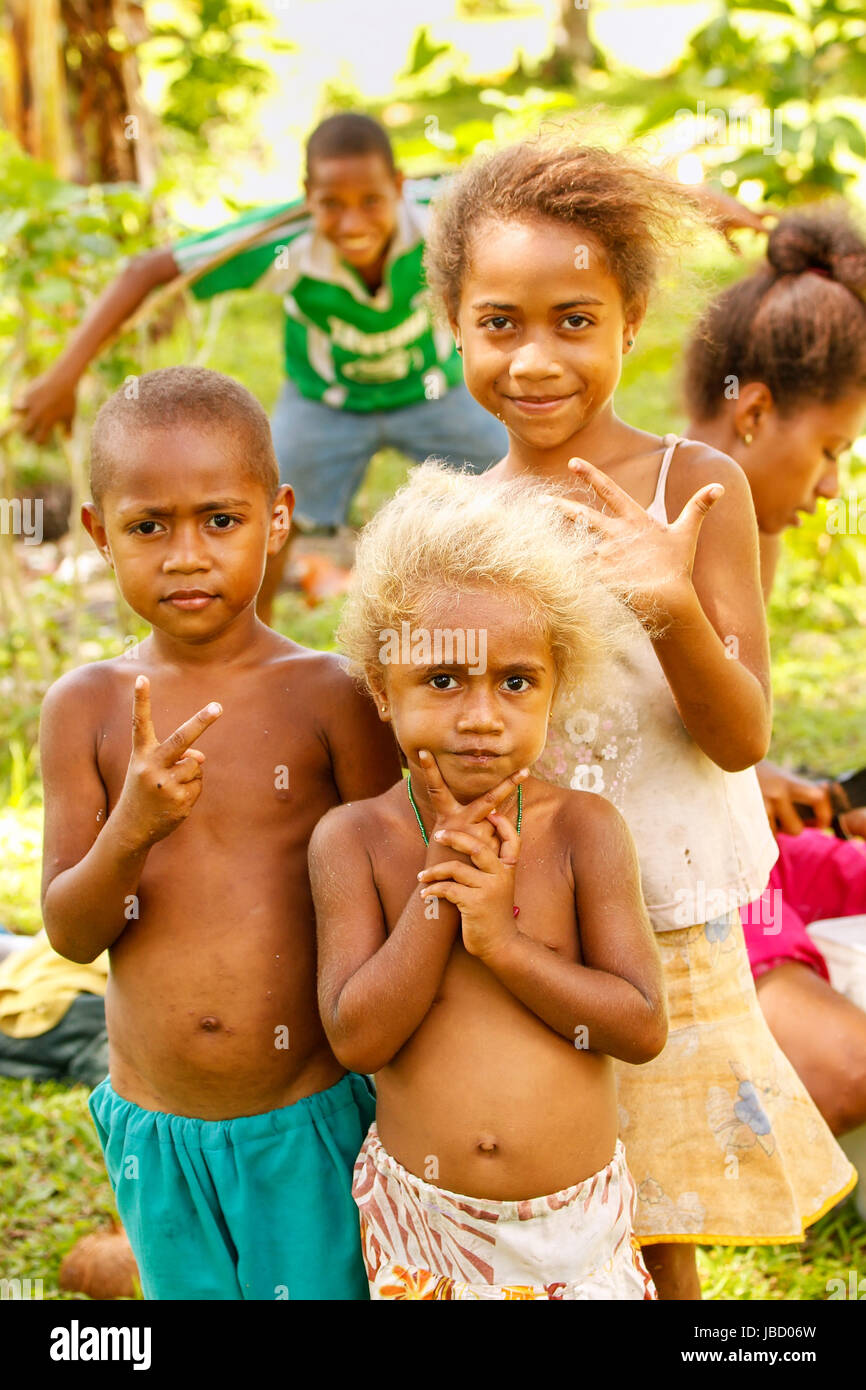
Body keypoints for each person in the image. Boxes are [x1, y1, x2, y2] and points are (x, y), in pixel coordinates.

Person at [423, 135, 857, 1299]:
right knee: (558, 1196)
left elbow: (739, 737)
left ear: (629, 319)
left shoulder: (692, 490)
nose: (534, 357)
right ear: (450, 329)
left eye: (573, 319)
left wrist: (667, 602)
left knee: (662, 1207)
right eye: (498, 321)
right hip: (529, 916)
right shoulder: (457, 525)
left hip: (666, 917)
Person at [39, 365, 402, 1299]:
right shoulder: (84, 707)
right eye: (148, 527)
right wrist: (133, 829)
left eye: (221, 520)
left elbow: (393, 893)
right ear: (97, 533)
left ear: (277, 517)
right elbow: (75, 932)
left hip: (308, 1116)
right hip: (156, 1131)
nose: (187, 555)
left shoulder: (330, 695)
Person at [311, 462, 666, 1300]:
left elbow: (641, 1025)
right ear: (381, 690)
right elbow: (359, 1041)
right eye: (443, 681)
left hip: (576, 1235)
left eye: (517, 682)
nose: (481, 717)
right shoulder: (354, 840)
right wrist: (442, 889)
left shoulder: (584, 833)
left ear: (555, 683)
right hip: (424, 1229)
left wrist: (503, 946)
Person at [15, 113, 506, 624]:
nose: (353, 223)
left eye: (371, 201)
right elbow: (148, 270)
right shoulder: (283, 242)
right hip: (326, 403)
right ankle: (255, 633)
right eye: (331, 205)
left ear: (400, 187)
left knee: (522, 477)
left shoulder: (445, 218)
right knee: (266, 505)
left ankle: (544, 609)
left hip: (435, 394)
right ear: (305, 197)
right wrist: (61, 378)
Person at [684, 207, 866, 1136]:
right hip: (686, 902)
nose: (835, 485)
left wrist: (756, 779)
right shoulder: (661, 535)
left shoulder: (750, 527)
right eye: (831, 450)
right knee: (851, 1072)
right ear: (754, 412)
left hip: (752, 859)